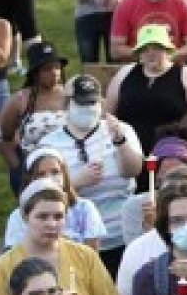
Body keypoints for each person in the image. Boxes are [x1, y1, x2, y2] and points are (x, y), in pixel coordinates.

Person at [38, 74, 143, 276]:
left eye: (92, 102)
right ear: (67, 104)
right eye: (81, 103)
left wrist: (120, 142)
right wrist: (76, 182)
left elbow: (133, 171)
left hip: (122, 235)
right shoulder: (49, 144)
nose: (88, 108)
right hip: (74, 239)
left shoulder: (120, 130)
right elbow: (42, 195)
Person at [107, 24, 187, 189]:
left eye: (157, 48)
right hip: (128, 150)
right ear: (139, 53)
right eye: (145, 49)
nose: (150, 53)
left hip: (170, 153)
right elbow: (108, 114)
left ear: (167, 50)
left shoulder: (186, 75)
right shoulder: (125, 74)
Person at [5, 147, 104, 249]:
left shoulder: (85, 208)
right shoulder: (17, 217)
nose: (49, 179)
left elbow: (92, 253)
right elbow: (16, 255)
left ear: (64, 175)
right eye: (40, 174)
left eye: (55, 172)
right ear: (29, 179)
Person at [0, 42, 66, 187]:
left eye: (57, 67)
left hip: (67, 167)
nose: (54, 72)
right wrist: (18, 167)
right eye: (47, 69)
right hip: (32, 170)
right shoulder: (20, 100)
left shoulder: (70, 95)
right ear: (35, 73)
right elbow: (3, 138)